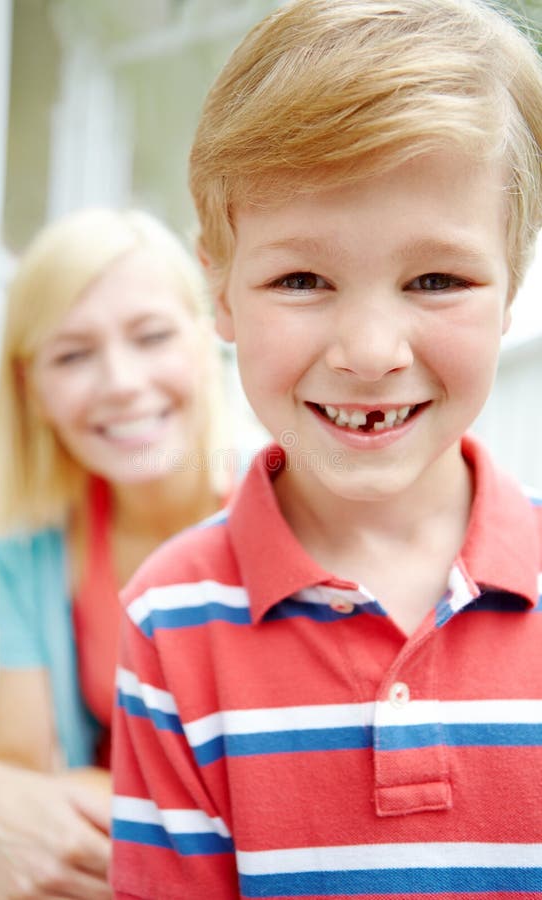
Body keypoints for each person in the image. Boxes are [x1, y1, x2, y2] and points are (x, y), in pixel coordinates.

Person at [110, 0, 542, 897]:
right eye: (302, 279)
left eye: (437, 278)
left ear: (512, 289)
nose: (371, 350)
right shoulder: (168, 619)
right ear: (221, 291)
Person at [0, 207, 226, 900]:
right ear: (30, 390)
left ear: (207, 339)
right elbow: (18, 785)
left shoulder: (287, 510)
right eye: (72, 355)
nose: (122, 381)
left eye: (152, 336)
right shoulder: (37, 546)